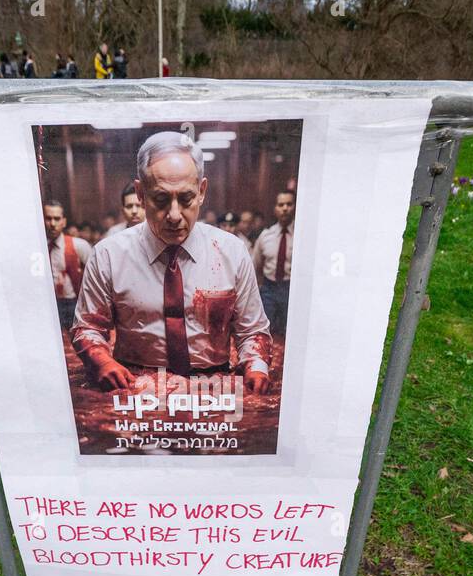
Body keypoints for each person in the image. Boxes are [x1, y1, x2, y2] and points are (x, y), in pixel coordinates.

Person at [72, 131, 271, 393]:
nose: (175, 215)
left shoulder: (231, 252)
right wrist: (102, 361)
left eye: (186, 199)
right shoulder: (109, 255)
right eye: (161, 199)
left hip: (211, 386)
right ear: (141, 194)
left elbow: (252, 330)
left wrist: (256, 365)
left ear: (201, 191)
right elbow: (88, 328)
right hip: (134, 386)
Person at [43, 200, 93, 331]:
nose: (52, 224)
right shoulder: (38, 248)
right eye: (48, 219)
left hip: (73, 303)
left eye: (57, 219)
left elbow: (96, 275)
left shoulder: (79, 245)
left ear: (63, 222)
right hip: (49, 304)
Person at [251, 190, 295, 336]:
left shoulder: (302, 236)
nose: (285, 208)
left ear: (295, 206)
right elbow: (254, 266)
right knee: (265, 332)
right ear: (275, 209)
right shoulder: (266, 235)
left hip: (291, 289)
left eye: (289, 204)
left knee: (288, 333)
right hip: (269, 289)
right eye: (281, 204)